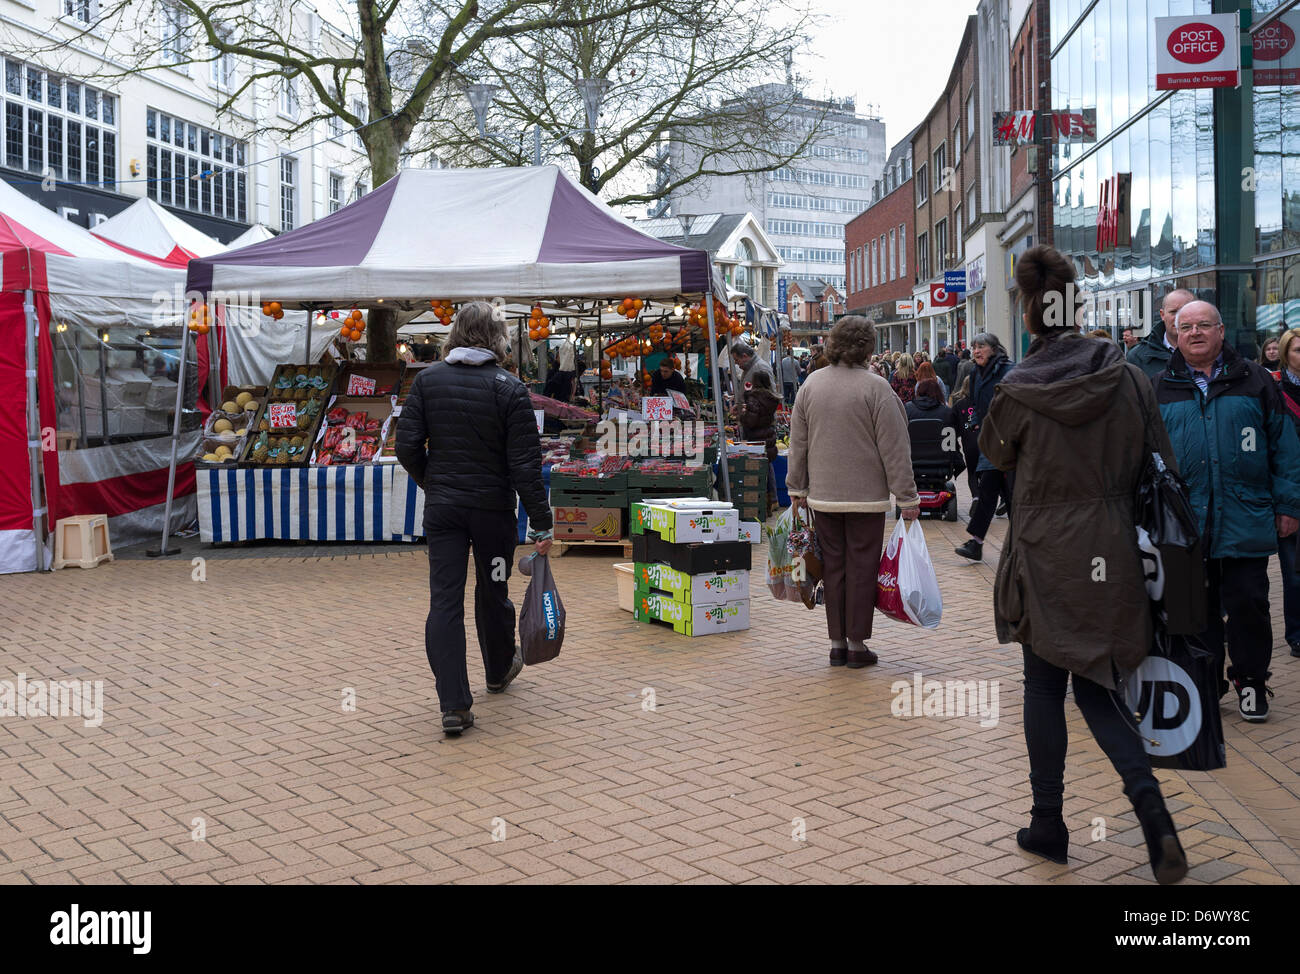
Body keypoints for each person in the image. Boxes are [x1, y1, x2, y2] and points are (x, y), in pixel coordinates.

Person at [981, 244, 1189, 885]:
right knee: (1099, 684)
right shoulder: (1128, 378)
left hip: (1044, 552)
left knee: (1043, 686)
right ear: (1077, 305)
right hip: (1111, 548)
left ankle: (1049, 822)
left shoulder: (1016, 389)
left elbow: (991, 451)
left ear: (1029, 314)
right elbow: (1162, 462)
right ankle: (1153, 815)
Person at [395, 301, 552, 737]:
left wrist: (435, 483)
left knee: (444, 600)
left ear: (456, 332)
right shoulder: (509, 388)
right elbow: (524, 466)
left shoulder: (427, 381)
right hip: (493, 514)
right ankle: (499, 669)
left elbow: (407, 447)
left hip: (444, 512)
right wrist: (541, 523)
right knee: (494, 588)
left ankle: (454, 705)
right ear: (497, 337)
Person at [1153, 300, 1300, 723]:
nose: (1195, 333)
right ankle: (1206, 682)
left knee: (1250, 605)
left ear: (1221, 331)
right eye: (1186, 327)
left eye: (1204, 325)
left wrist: (1289, 504)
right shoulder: (1160, 386)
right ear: (1176, 335)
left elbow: (1286, 449)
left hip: (1245, 518)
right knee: (1196, 611)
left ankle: (1251, 681)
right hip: (1184, 523)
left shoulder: (1255, 380)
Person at [786, 316, 919, 669]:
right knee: (862, 568)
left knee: (834, 567)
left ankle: (836, 643)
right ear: (868, 347)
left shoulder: (810, 385)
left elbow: (797, 444)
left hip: (824, 496)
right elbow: (895, 448)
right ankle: (857, 645)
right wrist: (907, 498)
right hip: (866, 497)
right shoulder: (877, 389)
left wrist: (796, 487)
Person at [954, 332, 1013, 561]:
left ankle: (1020, 545)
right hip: (990, 444)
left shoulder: (1009, 371)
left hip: (1009, 444)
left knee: (1013, 497)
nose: (976, 351)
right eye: (973, 347)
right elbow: (978, 406)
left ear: (994, 349)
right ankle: (976, 543)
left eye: (981, 346)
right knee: (988, 492)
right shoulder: (975, 373)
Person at [1274, 327, 1300, 659]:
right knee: (1294, 570)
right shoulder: (1274, 389)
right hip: (1291, 492)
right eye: (1297, 350)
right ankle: (1296, 633)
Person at [734, 368, 781, 514]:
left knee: (758, 472)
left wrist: (741, 416)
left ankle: (761, 504)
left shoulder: (755, 398)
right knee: (767, 468)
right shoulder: (770, 398)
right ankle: (772, 500)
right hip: (768, 435)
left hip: (756, 438)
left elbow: (752, 420)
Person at [1128, 288, 1193, 379]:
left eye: (1185, 311)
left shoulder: (1211, 349)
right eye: (1173, 312)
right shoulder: (1137, 357)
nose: (1179, 318)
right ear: (1162, 315)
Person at [948, 374, 979, 497]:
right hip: (986, 444)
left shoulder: (959, 405)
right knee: (990, 473)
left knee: (972, 472)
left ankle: (976, 497)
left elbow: (952, 428)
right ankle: (1001, 496)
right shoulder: (986, 402)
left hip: (969, 444)